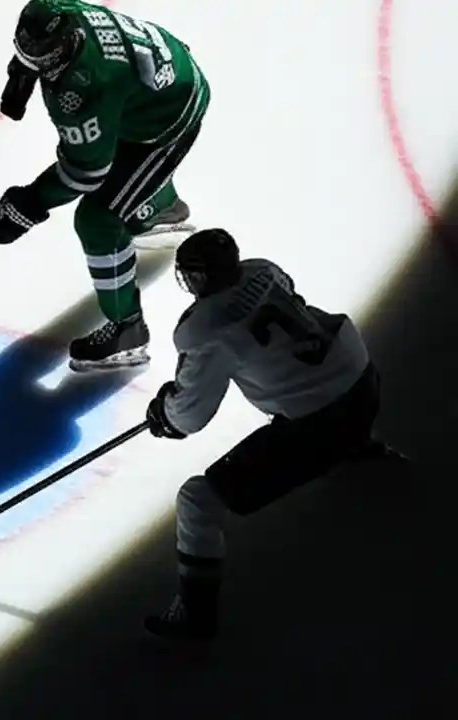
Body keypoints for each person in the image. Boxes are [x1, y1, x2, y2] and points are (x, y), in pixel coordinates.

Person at [142, 228, 398, 640]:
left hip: (318, 422)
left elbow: (190, 417)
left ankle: (195, 616)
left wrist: (165, 413)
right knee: (320, 391)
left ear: (198, 278)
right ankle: (359, 443)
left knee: (197, 499)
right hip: (363, 377)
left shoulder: (201, 329)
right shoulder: (264, 270)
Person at [0, 0, 209, 371]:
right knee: (123, 179)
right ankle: (158, 208)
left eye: (46, 55)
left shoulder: (84, 88)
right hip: (160, 80)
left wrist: (28, 203)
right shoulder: (63, 12)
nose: (39, 58)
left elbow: (85, 173)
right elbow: (42, 42)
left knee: (98, 219)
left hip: (163, 120)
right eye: (28, 50)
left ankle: (127, 329)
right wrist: (24, 70)